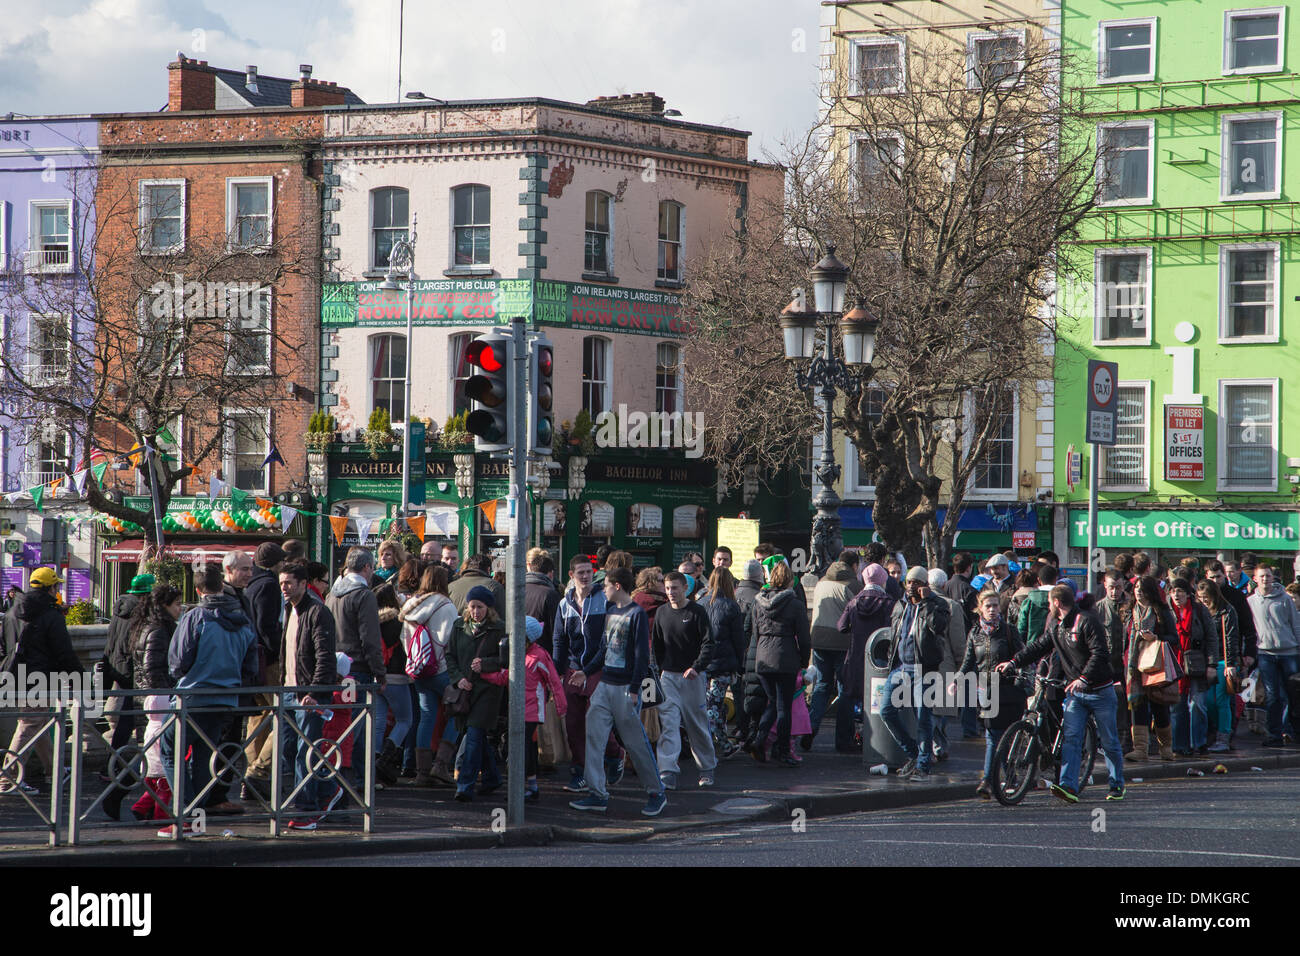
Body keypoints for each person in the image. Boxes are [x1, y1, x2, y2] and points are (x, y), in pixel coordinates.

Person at [998, 585, 1126, 803]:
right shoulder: (1058, 627)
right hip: (1075, 694)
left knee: (1109, 741)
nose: (1048, 605)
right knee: (1071, 739)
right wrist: (1013, 662)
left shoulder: (1086, 621)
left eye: (1049, 602)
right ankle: (1068, 786)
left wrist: (1083, 678)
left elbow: (1100, 653)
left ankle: (1116, 785)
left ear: (1057, 603)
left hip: (1100, 691)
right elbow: (1038, 646)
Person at [157, 564, 258, 835]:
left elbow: (178, 661)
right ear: (222, 585)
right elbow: (251, 665)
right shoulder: (243, 619)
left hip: (193, 694)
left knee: (168, 751)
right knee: (203, 758)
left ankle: (187, 815)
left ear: (198, 590)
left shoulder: (196, 616)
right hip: (226, 697)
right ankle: (196, 816)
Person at [567, 567, 667, 816]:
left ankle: (656, 792)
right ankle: (597, 793)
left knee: (636, 743)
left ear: (618, 586)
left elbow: (641, 655)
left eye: (607, 585)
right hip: (605, 685)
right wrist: (587, 672)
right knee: (594, 736)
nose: (603, 589)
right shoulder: (611, 611)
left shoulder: (636, 614)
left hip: (624, 688)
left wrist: (635, 689)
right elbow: (604, 649)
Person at [0, 567, 83, 796]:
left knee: (39, 721)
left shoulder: (11, 612)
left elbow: (3, 646)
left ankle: (54, 770)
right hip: (42, 679)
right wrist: (80, 678)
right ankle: (8, 779)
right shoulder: (50, 614)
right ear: (51, 588)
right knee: (29, 725)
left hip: (16, 676)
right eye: (57, 586)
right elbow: (63, 652)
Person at [276, 562, 340, 830]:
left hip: (307, 694)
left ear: (304, 584)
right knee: (289, 749)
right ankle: (329, 789)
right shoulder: (290, 611)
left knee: (306, 750)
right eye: (281, 583)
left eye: (289, 583)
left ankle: (306, 809)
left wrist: (314, 692)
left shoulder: (318, 612)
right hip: (290, 691)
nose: (284, 588)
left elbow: (325, 656)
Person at [553, 554, 623, 793]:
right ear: (571, 576)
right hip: (572, 669)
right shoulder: (564, 604)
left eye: (588, 572)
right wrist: (557, 673)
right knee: (573, 724)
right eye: (580, 573)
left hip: (597, 668)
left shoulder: (604, 599)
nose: (585, 576)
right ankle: (580, 771)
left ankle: (615, 755)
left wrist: (589, 670)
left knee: (596, 720)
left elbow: (608, 641)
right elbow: (559, 641)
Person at [480, 615, 566, 801]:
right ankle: (531, 787)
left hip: (532, 712)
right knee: (527, 750)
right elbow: (504, 677)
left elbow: (554, 682)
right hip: (518, 711)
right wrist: (483, 674)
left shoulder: (539, 656)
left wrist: (561, 707)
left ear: (527, 638)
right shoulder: (517, 655)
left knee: (520, 750)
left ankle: (519, 790)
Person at [879, 566, 950, 780]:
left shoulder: (938, 604)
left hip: (924, 670)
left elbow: (938, 626)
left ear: (925, 585)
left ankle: (923, 765)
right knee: (886, 711)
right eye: (908, 582)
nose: (911, 586)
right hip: (901, 667)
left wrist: (926, 602)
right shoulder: (900, 605)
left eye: (916, 583)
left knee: (923, 718)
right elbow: (895, 635)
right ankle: (914, 754)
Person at [651, 570, 718, 789]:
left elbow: (709, 643)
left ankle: (707, 768)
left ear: (685, 589)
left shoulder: (697, 612)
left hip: (692, 677)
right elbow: (657, 646)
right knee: (669, 724)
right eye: (668, 588)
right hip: (668, 676)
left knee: (696, 724)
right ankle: (667, 770)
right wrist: (660, 670)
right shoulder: (661, 613)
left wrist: (697, 667)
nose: (670, 592)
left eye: (675, 588)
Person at [955, 589, 1024, 798]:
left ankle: (989, 779)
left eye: (995, 605)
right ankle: (1004, 777)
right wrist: (957, 680)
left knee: (998, 737)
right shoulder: (975, 633)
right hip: (985, 689)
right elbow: (968, 662)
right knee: (995, 736)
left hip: (1008, 690)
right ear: (980, 609)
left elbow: (1022, 657)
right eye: (988, 606)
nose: (993, 610)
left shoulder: (1009, 631)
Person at [326, 547, 386, 785]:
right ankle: (348, 781)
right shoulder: (364, 595)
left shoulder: (333, 594)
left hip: (337, 667)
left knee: (345, 724)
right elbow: (370, 638)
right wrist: (380, 673)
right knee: (356, 727)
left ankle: (356, 778)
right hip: (358, 668)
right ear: (367, 567)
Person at [745, 561, 811, 767]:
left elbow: (755, 632)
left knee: (773, 703)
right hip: (786, 659)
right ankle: (783, 750)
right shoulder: (795, 604)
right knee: (784, 707)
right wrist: (803, 661)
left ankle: (759, 740)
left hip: (763, 659)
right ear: (790, 580)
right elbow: (804, 637)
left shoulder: (758, 602)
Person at [127, 583, 182, 822]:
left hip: (150, 695)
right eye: (177, 604)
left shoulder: (145, 625)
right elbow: (152, 666)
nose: (181, 609)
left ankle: (143, 805)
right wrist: (167, 690)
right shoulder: (159, 629)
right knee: (167, 753)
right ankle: (162, 814)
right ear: (164, 606)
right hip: (160, 695)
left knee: (157, 752)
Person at [444, 586, 506, 801]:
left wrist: (487, 664)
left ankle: (465, 785)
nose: (476, 611)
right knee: (475, 736)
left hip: (487, 691)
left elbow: (505, 659)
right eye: (472, 607)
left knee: (473, 734)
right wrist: (458, 678)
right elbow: (449, 656)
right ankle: (492, 778)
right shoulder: (459, 625)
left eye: (480, 607)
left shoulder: (498, 628)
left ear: (488, 608)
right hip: (465, 688)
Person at [400, 563, 459, 787]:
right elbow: (450, 640)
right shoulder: (446, 605)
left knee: (426, 716)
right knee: (458, 712)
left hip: (418, 669)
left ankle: (422, 773)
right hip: (441, 670)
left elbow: (404, 639)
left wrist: (417, 661)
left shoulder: (410, 606)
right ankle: (440, 765)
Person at [101, 573, 153, 796]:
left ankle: (115, 764)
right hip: (133, 670)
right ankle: (124, 765)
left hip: (117, 667)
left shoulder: (119, 609)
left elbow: (112, 640)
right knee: (134, 718)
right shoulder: (141, 612)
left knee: (127, 718)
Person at [241, 541, 286, 798]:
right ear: (277, 563)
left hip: (252, 661)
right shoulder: (269, 585)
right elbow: (268, 626)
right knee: (283, 717)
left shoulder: (250, 583)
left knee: (258, 719)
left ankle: (252, 776)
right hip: (268, 661)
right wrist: (279, 650)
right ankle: (257, 772)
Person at [838, 563, 898, 744]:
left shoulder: (854, 602)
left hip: (855, 656)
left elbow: (841, 626)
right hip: (879, 658)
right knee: (876, 699)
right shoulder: (889, 602)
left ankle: (843, 741)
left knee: (847, 697)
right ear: (882, 580)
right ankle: (876, 742)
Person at [806, 552, 859, 752]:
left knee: (822, 686)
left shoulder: (821, 581)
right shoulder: (853, 584)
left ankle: (810, 728)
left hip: (819, 640)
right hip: (842, 642)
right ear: (854, 565)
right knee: (846, 690)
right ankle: (844, 740)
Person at [1126, 576, 1179, 762]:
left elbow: (1175, 638)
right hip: (1134, 668)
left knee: (1159, 705)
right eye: (1136, 587)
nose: (1138, 591)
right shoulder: (1128, 612)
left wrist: (1155, 637)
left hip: (1155, 666)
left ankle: (1166, 748)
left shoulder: (1161, 612)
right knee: (1137, 706)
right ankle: (1140, 749)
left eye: (1142, 588)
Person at [1246, 564, 1300, 747]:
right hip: (1265, 653)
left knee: (1292, 695)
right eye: (1261, 576)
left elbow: (1295, 624)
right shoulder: (1251, 601)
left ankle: (1293, 731)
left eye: (1268, 576)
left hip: (1288, 652)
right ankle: (1274, 735)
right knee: (1272, 696)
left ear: (1272, 577)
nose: (1265, 579)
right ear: (1255, 579)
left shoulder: (1285, 599)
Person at [1167, 578, 1218, 756]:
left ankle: (1200, 743)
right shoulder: (1165, 610)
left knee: (1198, 705)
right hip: (1174, 663)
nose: (1176, 594)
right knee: (1177, 706)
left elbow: (1212, 637)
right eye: (1173, 591)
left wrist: (1211, 663)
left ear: (1188, 593)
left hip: (1197, 662)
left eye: (1180, 590)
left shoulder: (1199, 610)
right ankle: (1179, 746)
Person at [700, 566, 745, 759]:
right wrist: (739, 665)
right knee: (715, 706)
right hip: (723, 663)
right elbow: (738, 640)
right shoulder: (731, 606)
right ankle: (719, 744)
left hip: (702, 663)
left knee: (707, 704)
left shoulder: (700, 603)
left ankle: (716, 743)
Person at [373, 582, 413, 785]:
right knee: (405, 720)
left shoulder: (371, 622)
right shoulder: (399, 623)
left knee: (378, 722)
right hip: (397, 677)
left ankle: (375, 759)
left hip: (376, 676)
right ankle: (386, 758)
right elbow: (408, 649)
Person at [927, 568, 968, 761]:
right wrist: (962, 665)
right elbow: (958, 641)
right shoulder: (951, 606)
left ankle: (936, 746)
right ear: (944, 585)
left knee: (929, 707)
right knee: (940, 710)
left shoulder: (920, 604)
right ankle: (936, 747)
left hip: (922, 662)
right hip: (945, 662)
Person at [1196, 578, 1241, 754]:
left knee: (1221, 700)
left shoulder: (1226, 611)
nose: (1203, 600)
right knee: (1207, 701)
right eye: (1200, 597)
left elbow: (1231, 638)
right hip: (1206, 660)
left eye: (1206, 597)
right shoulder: (1199, 611)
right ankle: (1214, 731)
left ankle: (1223, 736)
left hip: (1223, 660)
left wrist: (1231, 663)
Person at [1095, 569, 1131, 752]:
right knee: (1109, 705)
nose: (1114, 591)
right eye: (1111, 588)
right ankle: (1107, 741)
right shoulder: (1098, 608)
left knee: (1128, 703)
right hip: (1107, 665)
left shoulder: (1132, 605)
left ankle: (1127, 741)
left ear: (1123, 586)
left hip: (1128, 665)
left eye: (1118, 587)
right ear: (1105, 586)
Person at [1204, 560, 1257, 664]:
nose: (1215, 581)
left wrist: (1250, 653)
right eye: (1212, 577)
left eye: (1218, 576)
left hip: (1232, 652)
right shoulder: (1202, 597)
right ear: (1206, 576)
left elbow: (1248, 626)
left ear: (1224, 575)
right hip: (1208, 653)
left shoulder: (1237, 596)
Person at [524, 550, 561, 656]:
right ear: (551, 574)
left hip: (518, 651)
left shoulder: (516, 591)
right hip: (542, 654)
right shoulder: (551, 594)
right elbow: (556, 631)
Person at [1017, 563, 1056, 647]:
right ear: (1056, 579)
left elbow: (1021, 629)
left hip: (1033, 649)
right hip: (1057, 649)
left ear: (1039, 580)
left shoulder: (1028, 601)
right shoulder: (1062, 600)